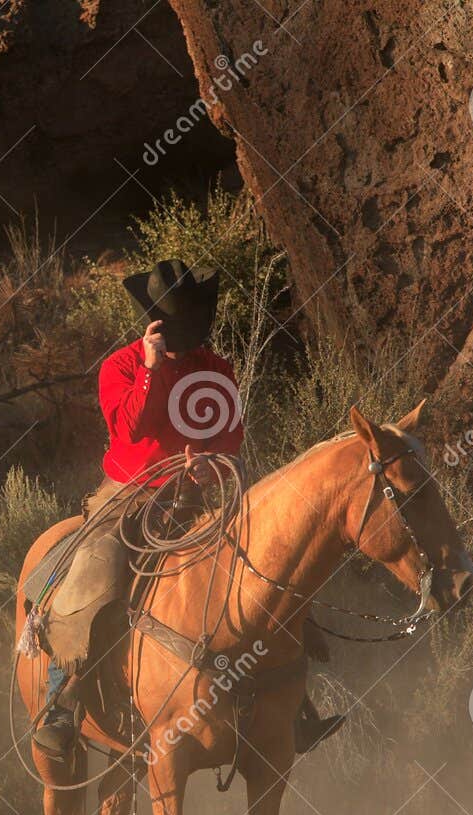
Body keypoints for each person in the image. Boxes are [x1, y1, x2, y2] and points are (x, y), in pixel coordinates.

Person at [33, 260, 342, 756]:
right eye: (175, 328)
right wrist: (152, 373)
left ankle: (291, 700)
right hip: (129, 491)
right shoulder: (122, 366)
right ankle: (64, 697)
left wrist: (213, 463)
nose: (185, 340)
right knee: (96, 566)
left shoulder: (215, 367)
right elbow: (128, 431)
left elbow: (229, 432)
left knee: (268, 563)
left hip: (199, 494)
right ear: (152, 323)